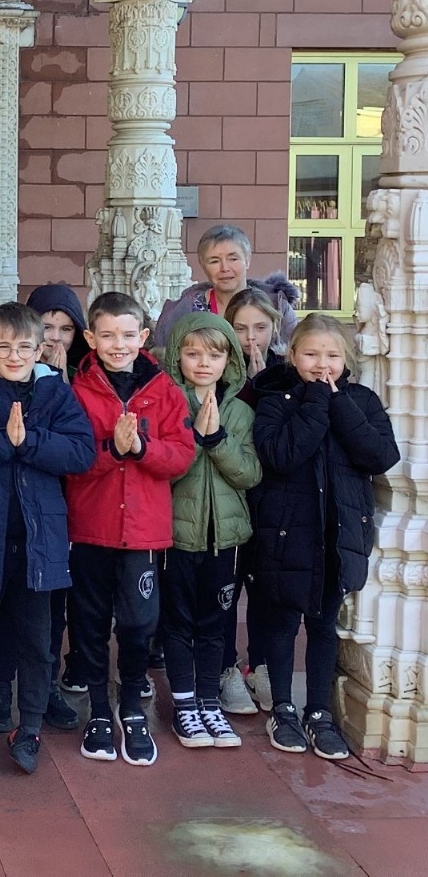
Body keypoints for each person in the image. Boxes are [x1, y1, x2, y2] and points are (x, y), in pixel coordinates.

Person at [0, 303, 94, 777]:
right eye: (3, 347)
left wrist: (27, 440)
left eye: (24, 347)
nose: (14, 356)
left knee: (36, 642)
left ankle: (28, 727)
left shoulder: (55, 394)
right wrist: (3, 440)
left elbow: (81, 452)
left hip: (37, 542)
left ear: (40, 349)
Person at [251, 314, 399, 760]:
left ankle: (319, 713)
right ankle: (282, 708)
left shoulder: (361, 401)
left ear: (346, 358)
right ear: (292, 355)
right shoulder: (275, 400)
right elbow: (282, 454)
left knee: (323, 626)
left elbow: (380, 454)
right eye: (311, 354)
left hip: (339, 534)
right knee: (282, 624)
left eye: (332, 355)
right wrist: (316, 401)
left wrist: (338, 403)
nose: (322, 364)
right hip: (287, 532)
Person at [67, 291, 195, 767]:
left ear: (142, 336)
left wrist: (141, 448)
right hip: (91, 527)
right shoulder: (76, 390)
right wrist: (111, 450)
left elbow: (181, 456)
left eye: (127, 334)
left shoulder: (164, 390)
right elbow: (70, 461)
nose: (118, 344)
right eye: (107, 335)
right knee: (90, 622)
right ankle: (100, 710)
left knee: (140, 622)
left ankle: (132, 706)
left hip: (143, 532)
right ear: (90, 338)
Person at [160, 313, 261, 750]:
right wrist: (193, 440)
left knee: (215, 623)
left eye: (214, 356)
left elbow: (249, 474)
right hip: (177, 536)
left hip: (226, 538)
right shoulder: (166, 404)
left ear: (229, 361)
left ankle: (208, 701)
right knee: (178, 622)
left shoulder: (239, 411)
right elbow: (163, 472)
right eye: (193, 354)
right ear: (177, 357)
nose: (203, 363)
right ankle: (184, 703)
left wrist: (217, 438)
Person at [24, 283, 91, 719]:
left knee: (56, 602)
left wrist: (63, 386)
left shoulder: (86, 373)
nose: (55, 338)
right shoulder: (15, 368)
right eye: (47, 327)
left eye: (66, 329)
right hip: (25, 499)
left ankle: (48, 684)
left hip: (73, 504)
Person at [219, 286, 286, 715]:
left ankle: (259, 664)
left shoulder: (286, 372)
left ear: (273, 328)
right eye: (241, 329)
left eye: (259, 328)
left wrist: (264, 386)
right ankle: (226, 668)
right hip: (229, 493)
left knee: (265, 587)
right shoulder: (218, 370)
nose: (250, 338)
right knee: (227, 587)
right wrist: (246, 386)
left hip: (273, 497)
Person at [152, 224, 299, 352]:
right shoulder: (183, 311)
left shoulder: (277, 307)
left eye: (233, 259)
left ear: (247, 259)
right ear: (202, 264)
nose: (224, 268)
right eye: (214, 261)